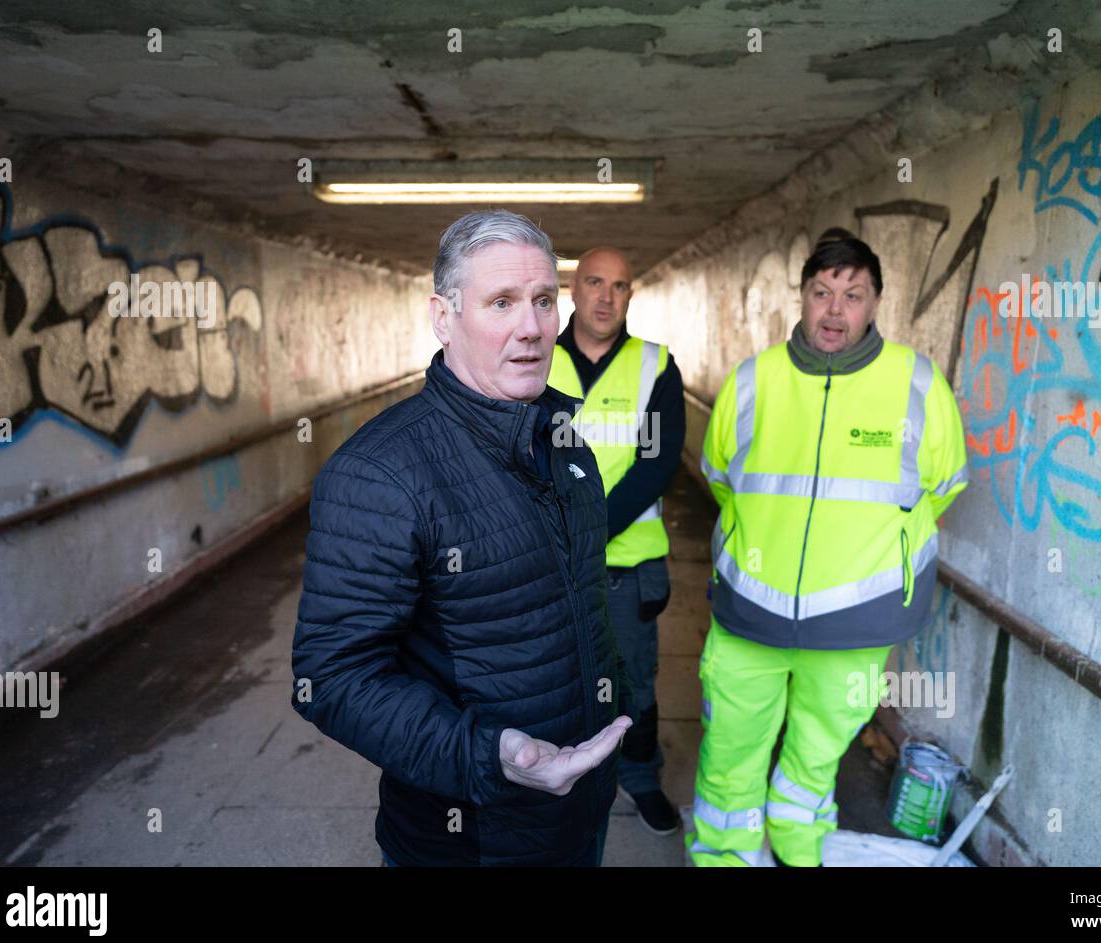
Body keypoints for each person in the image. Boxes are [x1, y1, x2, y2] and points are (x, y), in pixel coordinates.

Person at [291, 210, 631, 867]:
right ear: (443, 317)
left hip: (578, 812)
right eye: (500, 303)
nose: (531, 328)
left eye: (542, 301)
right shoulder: (380, 473)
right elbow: (331, 676)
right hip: (467, 840)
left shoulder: (565, 443)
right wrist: (495, 756)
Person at [689, 228, 969, 866]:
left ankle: (797, 853)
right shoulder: (754, 380)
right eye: (822, 292)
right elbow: (721, 477)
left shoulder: (918, 387)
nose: (835, 310)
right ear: (804, 298)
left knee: (814, 762)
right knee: (729, 754)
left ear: (875, 305)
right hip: (749, 614)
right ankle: (721, 860)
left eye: (854, 294)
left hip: (856, 619)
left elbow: (943, 488)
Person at [547, 247, 685, 835]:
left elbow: (656, 465)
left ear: (632, 296)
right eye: (594, 282)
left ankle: (641, 775)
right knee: (545, 672)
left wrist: (590, 531)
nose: (606, 296)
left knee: (632, 679)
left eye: (620, 286)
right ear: (572, 291)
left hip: (625, 566)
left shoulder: (655, 365)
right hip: (546, 560)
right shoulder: (533, 359)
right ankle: (553, 774)